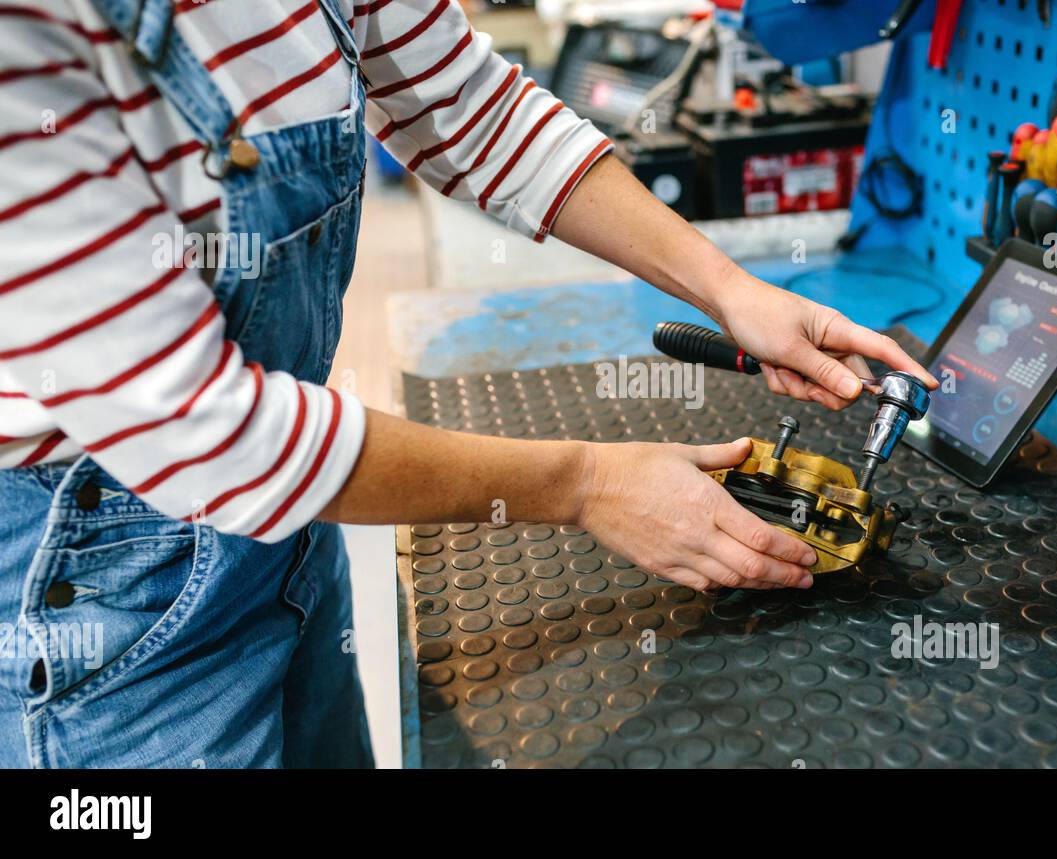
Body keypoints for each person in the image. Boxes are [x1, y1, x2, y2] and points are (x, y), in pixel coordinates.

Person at [0, 0, 936, 767]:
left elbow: (466, 104)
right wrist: (589, 483)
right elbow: (205, 433)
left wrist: (731, 290)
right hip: (102, 601)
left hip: (289, 522)